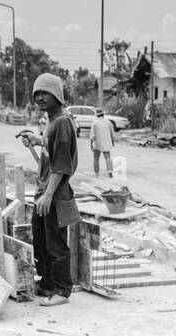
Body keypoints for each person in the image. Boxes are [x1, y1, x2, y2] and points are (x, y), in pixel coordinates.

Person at [17, 73, 80, 307]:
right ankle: (48, 283)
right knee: (41, 240)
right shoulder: (53, 122)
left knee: (55, 243)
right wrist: (37, 139)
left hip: (55, 194)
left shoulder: (62, 122)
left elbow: (62, 164)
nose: (40, 98)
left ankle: (62, 290)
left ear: (57, 95)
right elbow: (51, 145)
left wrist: (49, 194)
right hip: (44, 192)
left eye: (45, 93)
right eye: (37, 94)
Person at [89, 110, 115, 177]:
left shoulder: (94, 122)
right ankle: (110, 171)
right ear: (103, 114)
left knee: (96, 158)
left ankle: (96, 172)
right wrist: (112, 141)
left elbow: (92, 135)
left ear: (96, 115)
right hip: (106, 142)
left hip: (97, 143)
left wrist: (91, 144)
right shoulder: (108, 122)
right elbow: (112, 134)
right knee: (108, 157)